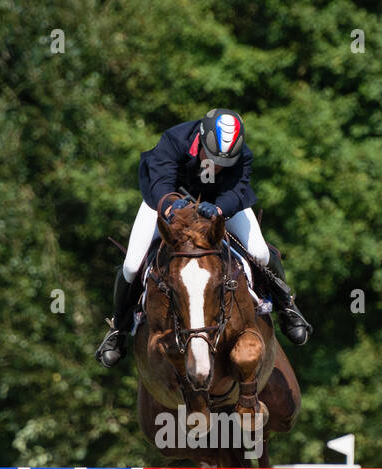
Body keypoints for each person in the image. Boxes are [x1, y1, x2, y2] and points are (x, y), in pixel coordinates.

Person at [96, 108, 312, 368]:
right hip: (167, 202)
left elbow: (237, 189)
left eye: (225, 162)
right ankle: (118, 328)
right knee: (132, 265)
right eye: (213, 158)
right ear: (201, 138)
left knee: (260, 252)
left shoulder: (242, 154)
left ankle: (286, 307)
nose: (218, 166)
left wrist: (220, 209)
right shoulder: (174, 141)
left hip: (218, 204)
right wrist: (171, 207)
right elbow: (160, 184)